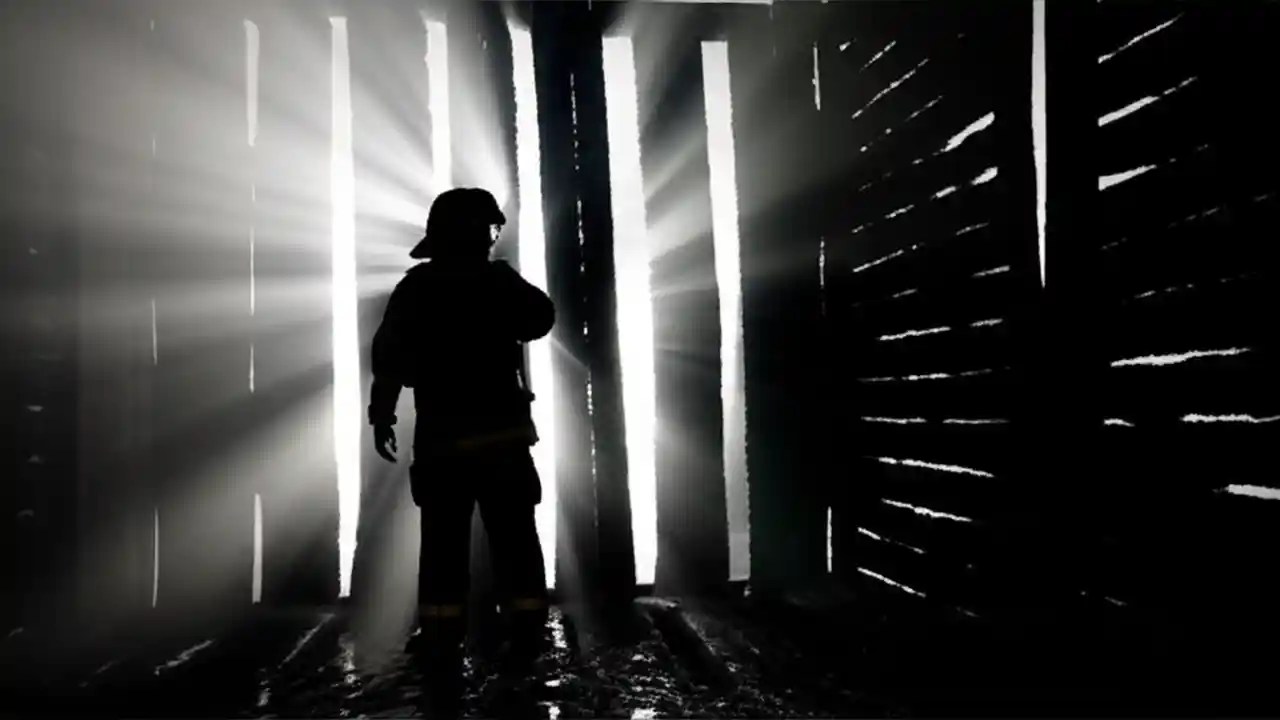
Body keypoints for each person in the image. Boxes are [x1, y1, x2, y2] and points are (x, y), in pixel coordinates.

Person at [367, 187, 554, 676]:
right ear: (479, 232)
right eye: (490, 230)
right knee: (515, 540)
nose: (494, 238)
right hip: (502, 440)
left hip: (442, 443)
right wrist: (504, 282)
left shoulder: (417, 289)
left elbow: (389, 357)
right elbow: (540, 318)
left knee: (443, 545)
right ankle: (528, 634)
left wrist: (381, 414)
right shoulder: (497, 284)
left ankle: (441, 637)